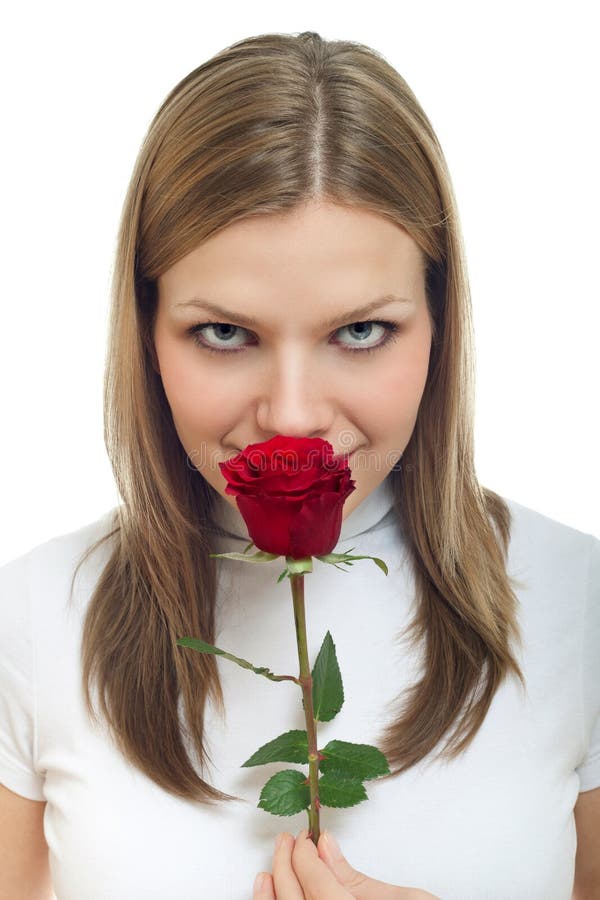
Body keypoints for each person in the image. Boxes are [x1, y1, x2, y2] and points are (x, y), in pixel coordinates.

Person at [0, 30, 598, 900]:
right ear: (146, 332)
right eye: (226, 333)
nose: (292, 416)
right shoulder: (31, 618)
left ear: (440, 323)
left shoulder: (580, 605)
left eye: (359, 332)